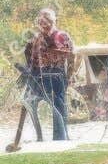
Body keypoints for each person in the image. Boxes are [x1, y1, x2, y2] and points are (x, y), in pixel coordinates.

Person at [23, 8, 73, 142]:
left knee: (58, 105)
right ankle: (39, 137)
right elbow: (28, 54)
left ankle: (61, 138)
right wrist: (30, 71)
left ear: (54, 21)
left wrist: (69, 76)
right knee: (30, 103)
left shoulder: (61, 35)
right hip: (38, 76)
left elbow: (72, 56)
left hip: (57, 76)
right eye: (41, 22)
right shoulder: (35, 38)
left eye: (47, 21)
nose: (44, 25)